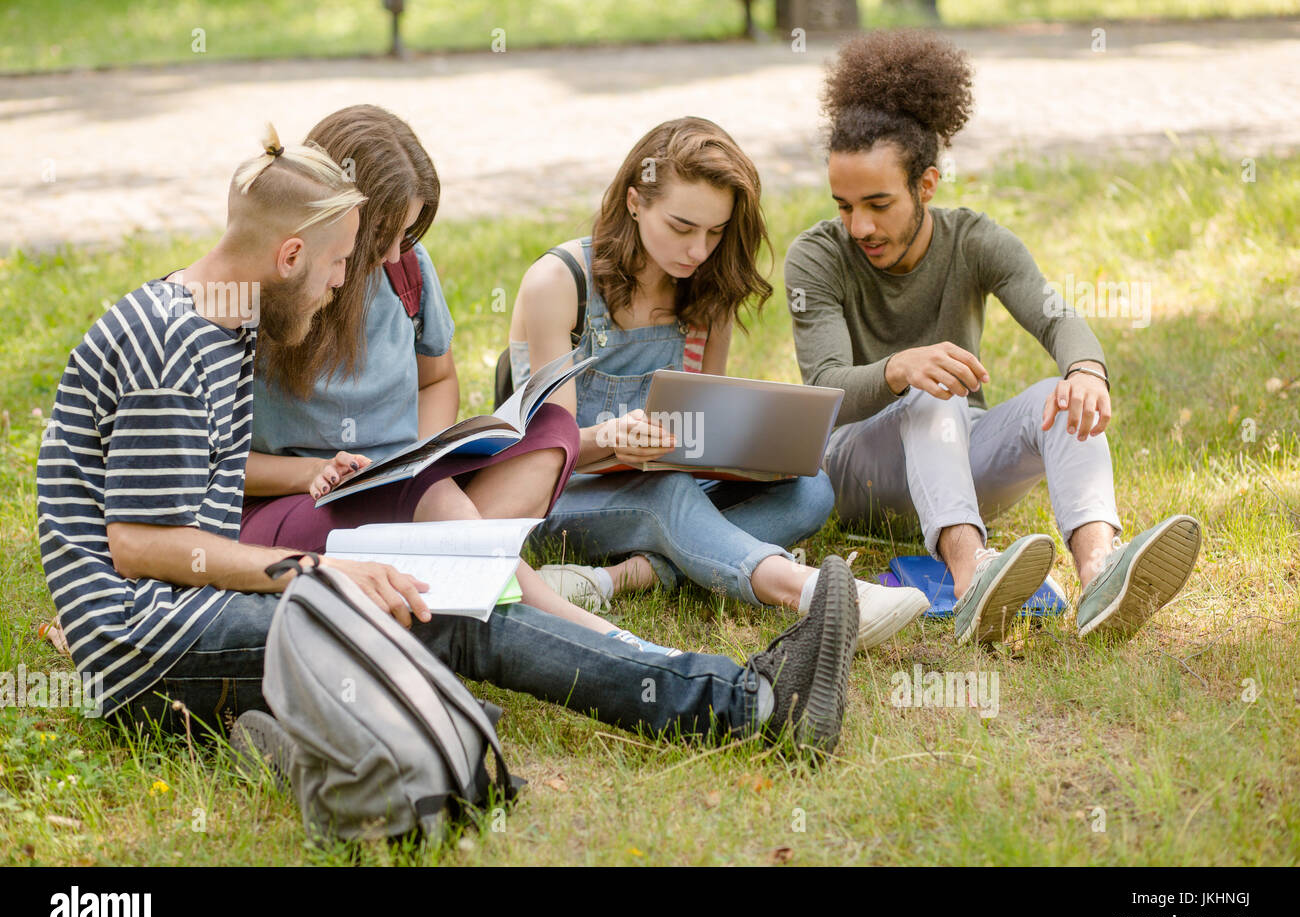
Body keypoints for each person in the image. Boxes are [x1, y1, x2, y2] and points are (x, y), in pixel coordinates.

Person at [34, 128, 860, 756]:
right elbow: (140, 545)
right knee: (455, 610)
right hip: (151, 646)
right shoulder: (171, 346)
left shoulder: (219, 322)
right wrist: (327, 573)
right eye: (337, 267)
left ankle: (411, 721)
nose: (339, 289)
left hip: (198, 614)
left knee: (443, 588)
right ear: (289, 253)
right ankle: (745, 705)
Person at [785, 30, 1201, 645]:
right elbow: (825, 391)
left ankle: (1101, 574)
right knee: (933, 388)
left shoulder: (975, 240)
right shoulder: (817, 258)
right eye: (844, 206)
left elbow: (1056, 314)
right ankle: (970, 574)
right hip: (856, 469)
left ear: (926, 185)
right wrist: (901, 368)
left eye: (877, 203)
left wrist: (1085, 369)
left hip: (956, 456)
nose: (860, 226)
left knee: (1057, 396)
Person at [509, 116, 929, 653]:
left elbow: (698, 436)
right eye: (682, 227)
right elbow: (550, 453)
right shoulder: (560, 282)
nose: (698, 251)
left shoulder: (707, 293)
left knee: (810, 490)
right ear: (635, 202)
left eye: (715, 232)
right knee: (666, 491)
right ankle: (814, 594)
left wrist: (750, 452)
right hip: (559, 501)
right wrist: (615, 438)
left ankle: (620, 578)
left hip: (660, 484)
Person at [237, 104, 631, 642]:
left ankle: (441, 555)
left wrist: (423, 455)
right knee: (432, 500)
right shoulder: (263, 297)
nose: (396, 252)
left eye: (408, 233)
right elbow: (216, 468)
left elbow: (436, 379)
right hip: (300, 505)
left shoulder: (407, 270)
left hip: (405, 485)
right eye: (385, 234)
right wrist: (313, 472)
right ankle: (571, 625)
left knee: (552, 434)